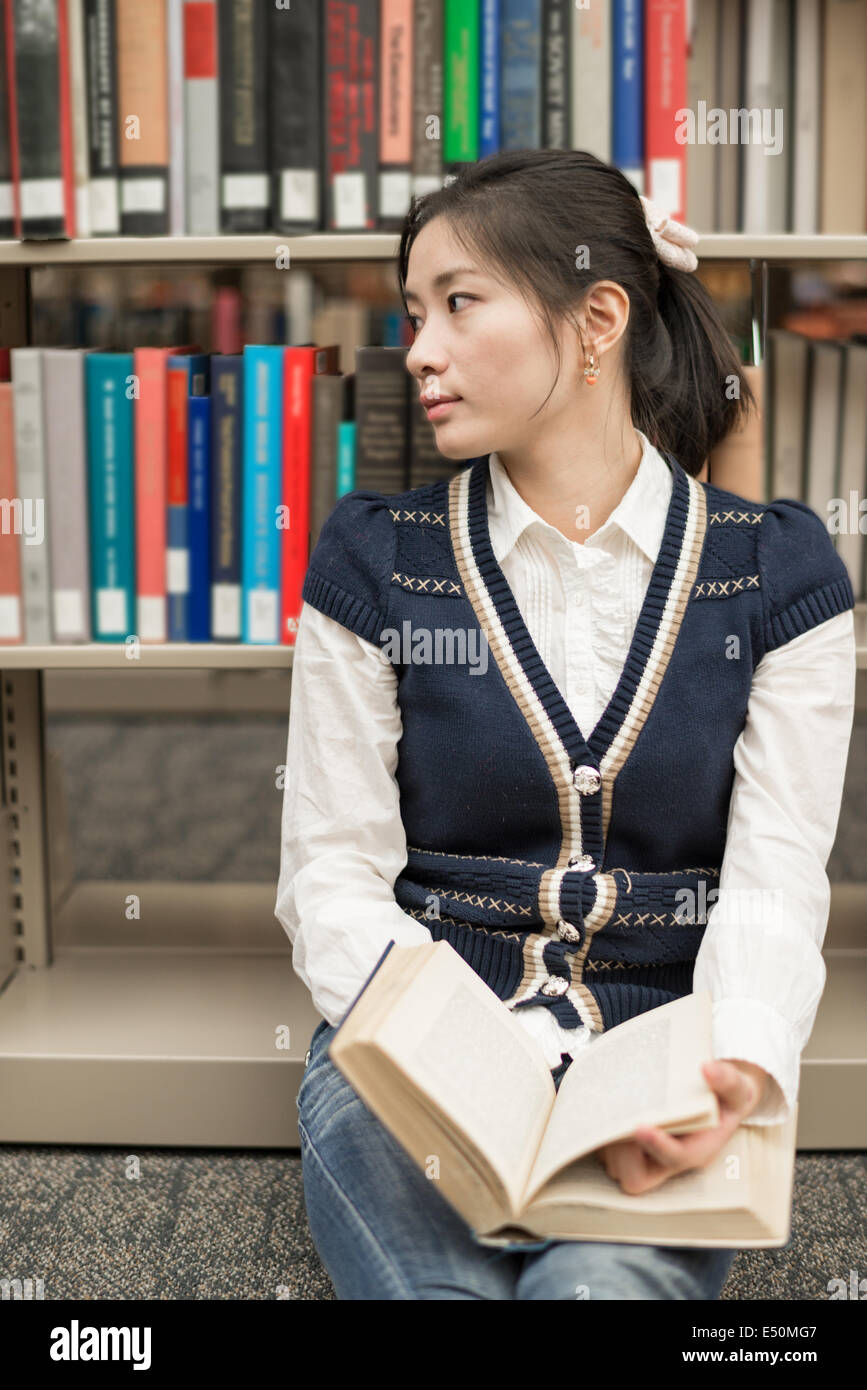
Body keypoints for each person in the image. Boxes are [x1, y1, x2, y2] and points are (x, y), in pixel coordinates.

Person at [274, 149, 857, 1300]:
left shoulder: (777, 575)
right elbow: (330, 873)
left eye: (458, 303)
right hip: (414, 1050)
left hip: (660, 1064)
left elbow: (776, 882)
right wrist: (475, 1055)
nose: (420, 351)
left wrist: (733, 1065)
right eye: (411, 313)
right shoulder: (372, 559)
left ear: (597, 318)